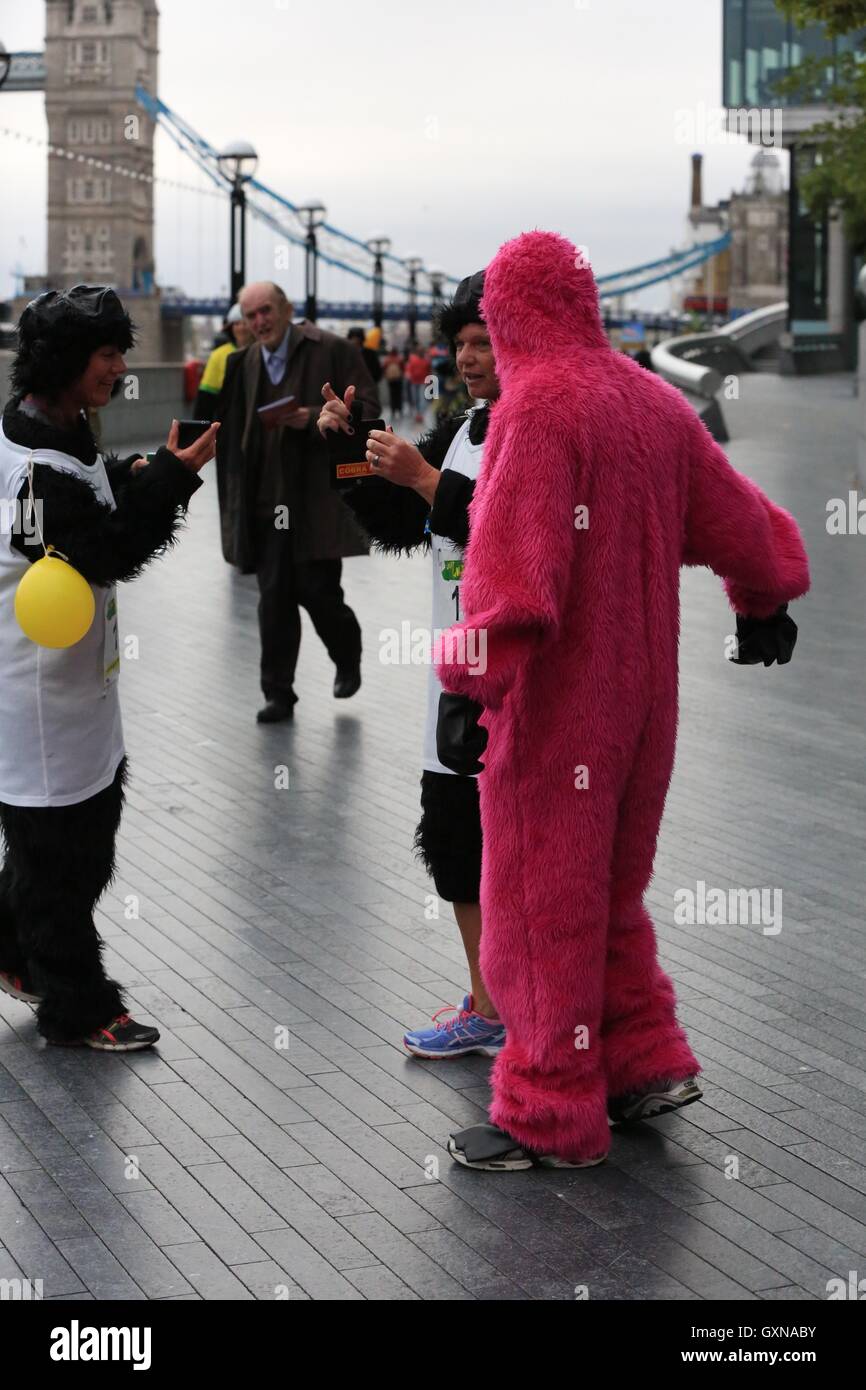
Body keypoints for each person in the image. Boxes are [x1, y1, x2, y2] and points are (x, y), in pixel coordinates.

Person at [436, 231, 809, 1171]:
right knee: (611, 894)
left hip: (563, 708)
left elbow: (515, 587)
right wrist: (763, 600)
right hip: (648, 709)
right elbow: (740, 517)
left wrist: (467, 683)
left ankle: (549, 1111)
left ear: (508, 316)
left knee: (536, 905)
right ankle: (641, 1062)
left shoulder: (538, 412)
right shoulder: (655, 403)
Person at [0, 285, 218, 1051]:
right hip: (35, 700)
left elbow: (95, 500)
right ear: (62, 362)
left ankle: (15, 956)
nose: (120, 368)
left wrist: (142, 471)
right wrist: (173, 479)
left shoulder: (64, 429)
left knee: (57, 845)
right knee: (65, 858)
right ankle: (78, 1006)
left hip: (79, 690)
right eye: (106, 354)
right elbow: (101, 548)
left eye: (123, 352)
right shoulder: (28, 467)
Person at [318, 272, 505, 1059]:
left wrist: (423, 479)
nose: (466, 358)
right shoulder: (464, 430)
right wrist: (350, 443)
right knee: (457, 846)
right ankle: (491, 1003)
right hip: (452, 684)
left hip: (516, 686)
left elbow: (518, 534)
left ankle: (529, 1013)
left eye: (481, 342)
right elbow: (400, 517)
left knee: (523, 858)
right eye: (458, 343)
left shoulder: (538, 431)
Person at [215, 282, 379, 723]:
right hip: (265, 504)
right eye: (250, 316)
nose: (259, 322)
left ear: (286, 309)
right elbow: (230, 430)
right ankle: (278, 694)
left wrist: (315, 418)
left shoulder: (333, 349)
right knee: (274, 599)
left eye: (266, 311)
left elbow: (367, 405)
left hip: (316, 502)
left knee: (319, 592)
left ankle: (347, 651)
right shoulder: (242, 362)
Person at [194, 303, 253, 421]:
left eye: (245, 323)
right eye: (237, 323)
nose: (241, 327)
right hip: (227, 424)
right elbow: (206, 401)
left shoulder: (265, 352)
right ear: (230, 327)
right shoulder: (218, 356)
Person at [404, 344, 429, 422]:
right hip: (415, 382)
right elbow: (408, 369)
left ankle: (419, 414)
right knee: (416, 399)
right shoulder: (414, 359)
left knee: (421, 399)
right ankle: (418, 414)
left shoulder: (426, 360)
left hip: (421, 382)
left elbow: (428, 371)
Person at [382, 347, 405, 418]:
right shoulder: (399, 359)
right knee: (399, 395)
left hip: (391, 380)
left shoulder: (387, 359)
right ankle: (400, 409)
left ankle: (393, 411)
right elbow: (403, 368)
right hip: (398, 379)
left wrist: (386, 375)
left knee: (392, 395)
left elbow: (384, 368)